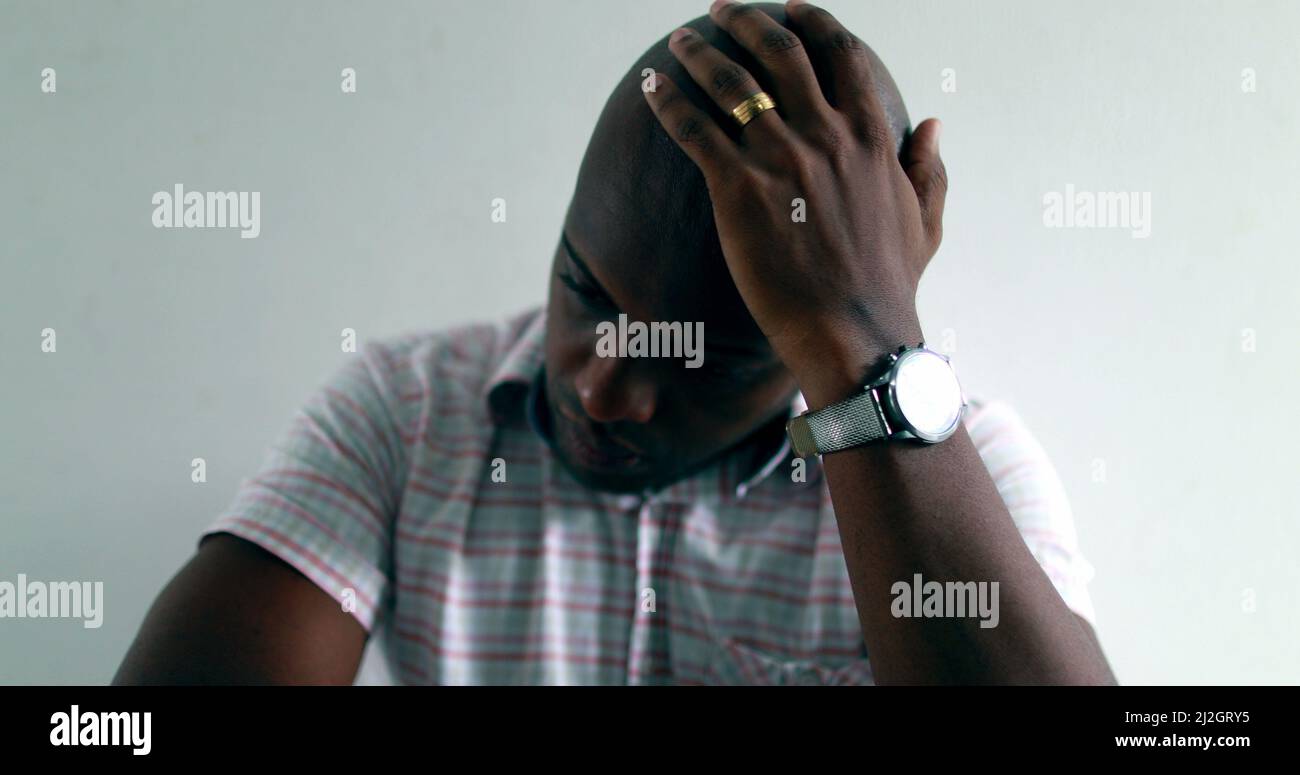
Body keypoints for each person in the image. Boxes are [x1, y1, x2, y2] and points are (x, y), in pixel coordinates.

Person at [115, 0, 1114, 685]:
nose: (602, 390)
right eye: (585, 292)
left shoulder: (960, 473)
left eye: (703, 357)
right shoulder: (405, 412)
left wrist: (868, 350)